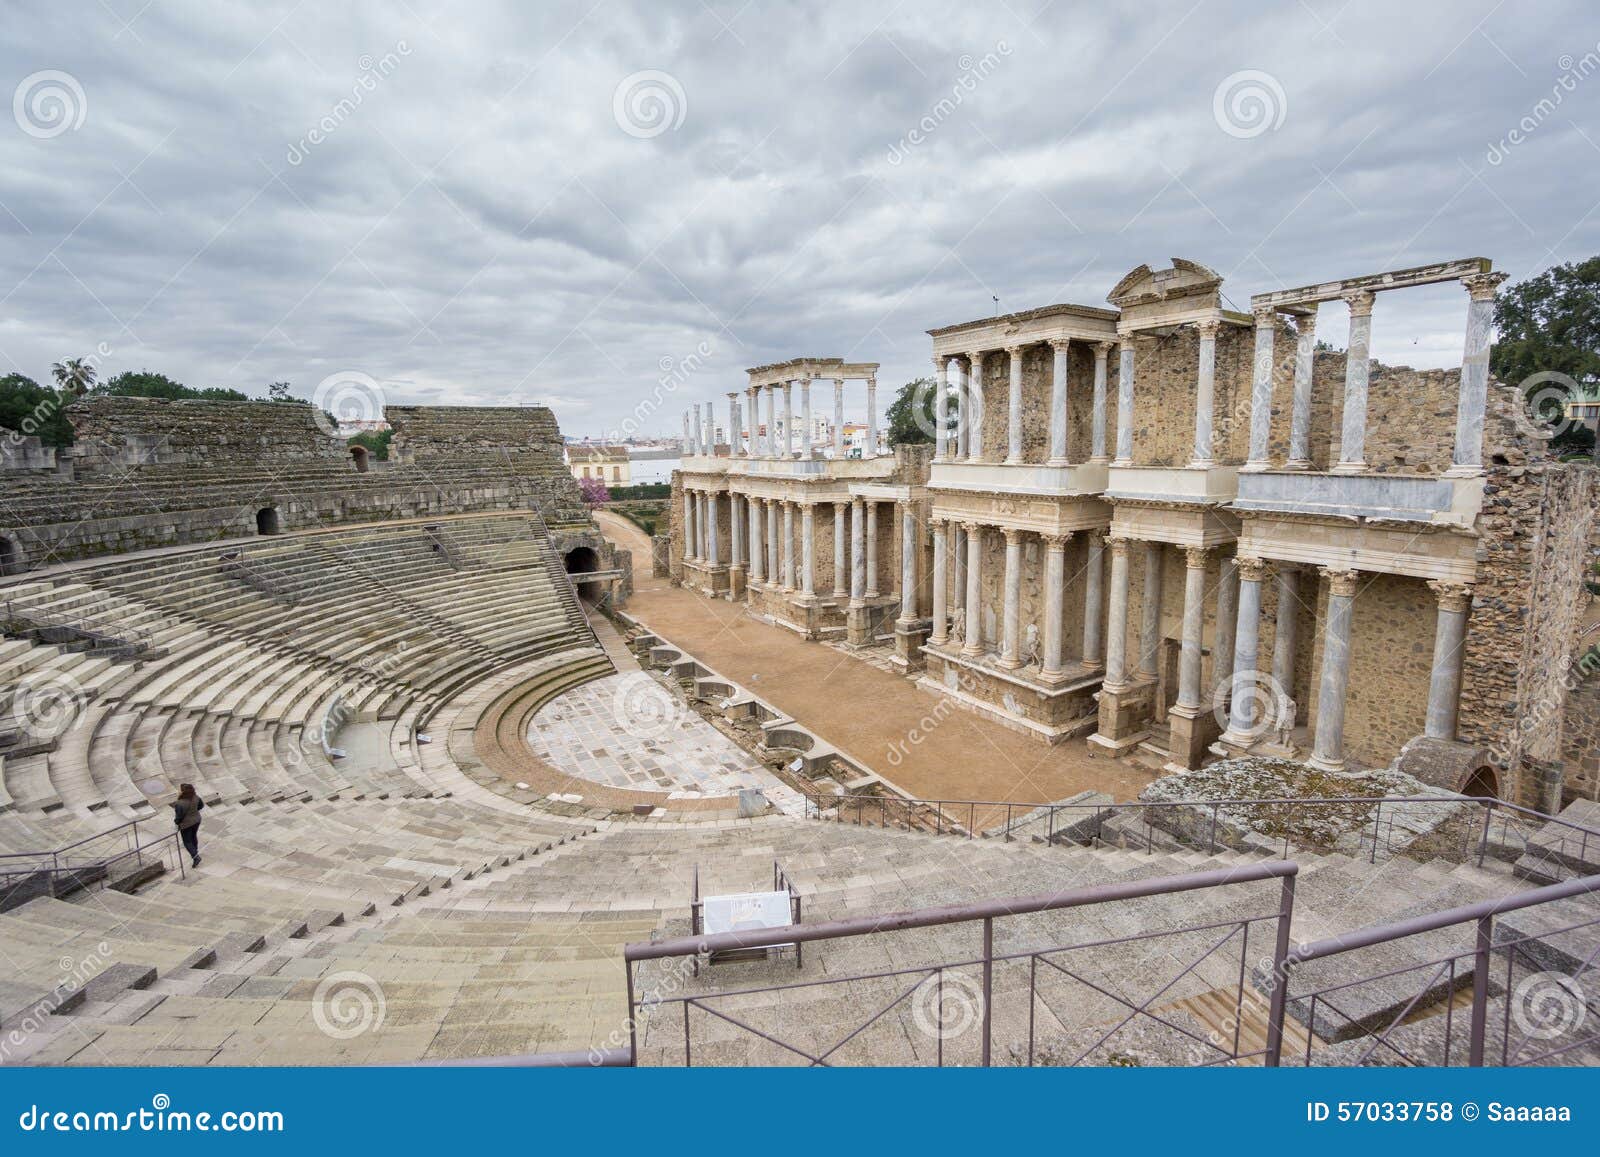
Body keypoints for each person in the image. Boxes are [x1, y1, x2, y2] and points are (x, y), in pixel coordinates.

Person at [172, 783, 204, 868]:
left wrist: (176, 822)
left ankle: (195, 857)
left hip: (186, 824)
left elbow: (179, 817)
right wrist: (194, 812)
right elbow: (201, 806)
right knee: (193, 836)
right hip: (197, 820)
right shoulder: (196, 797)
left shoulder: (179, 803)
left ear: (183, 792)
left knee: (187, 841)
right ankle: (195, 851)